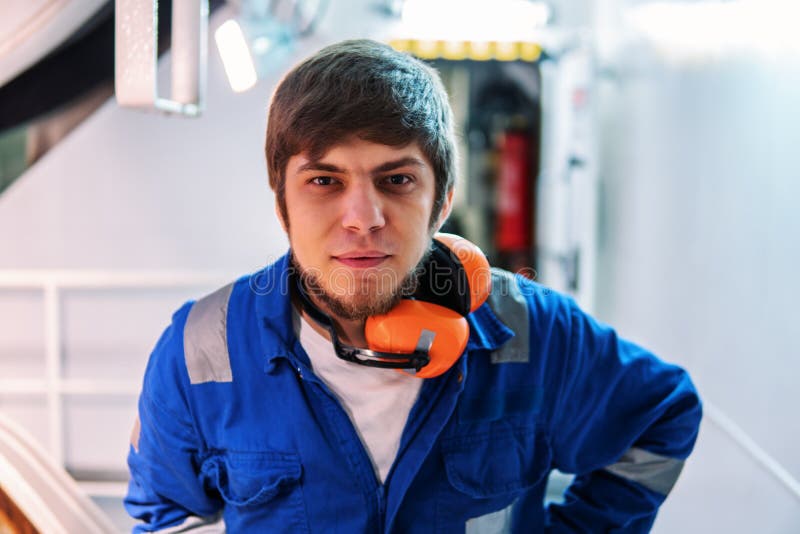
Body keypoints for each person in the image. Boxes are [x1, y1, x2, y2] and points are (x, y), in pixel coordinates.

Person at [125, 39, 702, 533]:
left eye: (397, 179)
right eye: (324, 180)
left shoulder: (532, 329)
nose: (363, 217)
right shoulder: (199, 348)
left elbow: (663, 415)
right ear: (281, 203)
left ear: (441, 201)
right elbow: (165, 511)